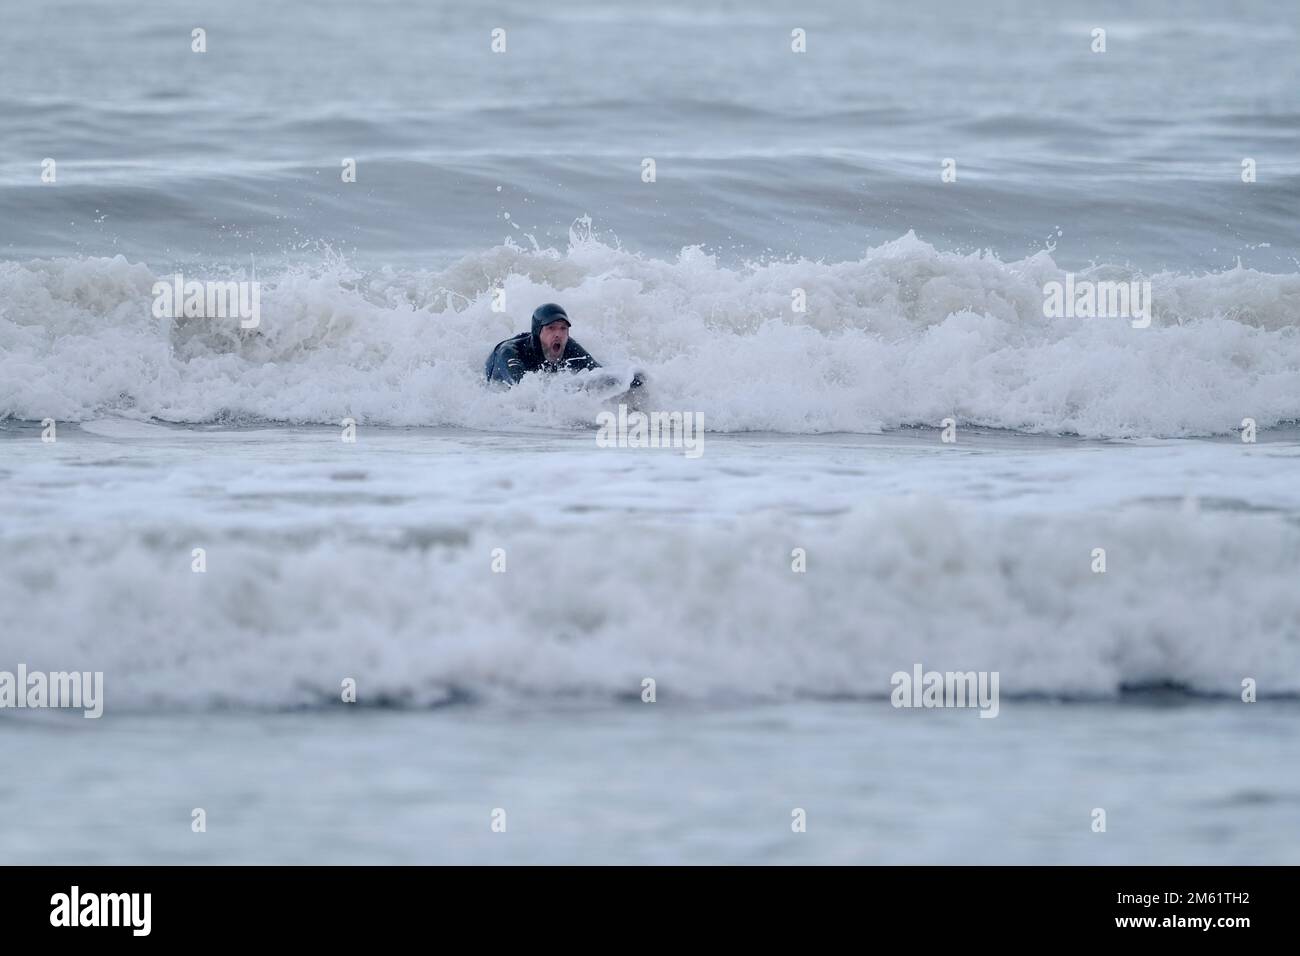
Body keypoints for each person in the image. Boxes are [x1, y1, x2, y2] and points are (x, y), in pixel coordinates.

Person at [485, 303, 641, 393]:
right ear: (537, 332)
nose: (558, 334)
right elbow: (522, 389)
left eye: (563, 328)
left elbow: (596, 373)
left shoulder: (569, 346)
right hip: (497, 383)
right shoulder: (510, 352)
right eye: (551, 328)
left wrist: (628, 383)